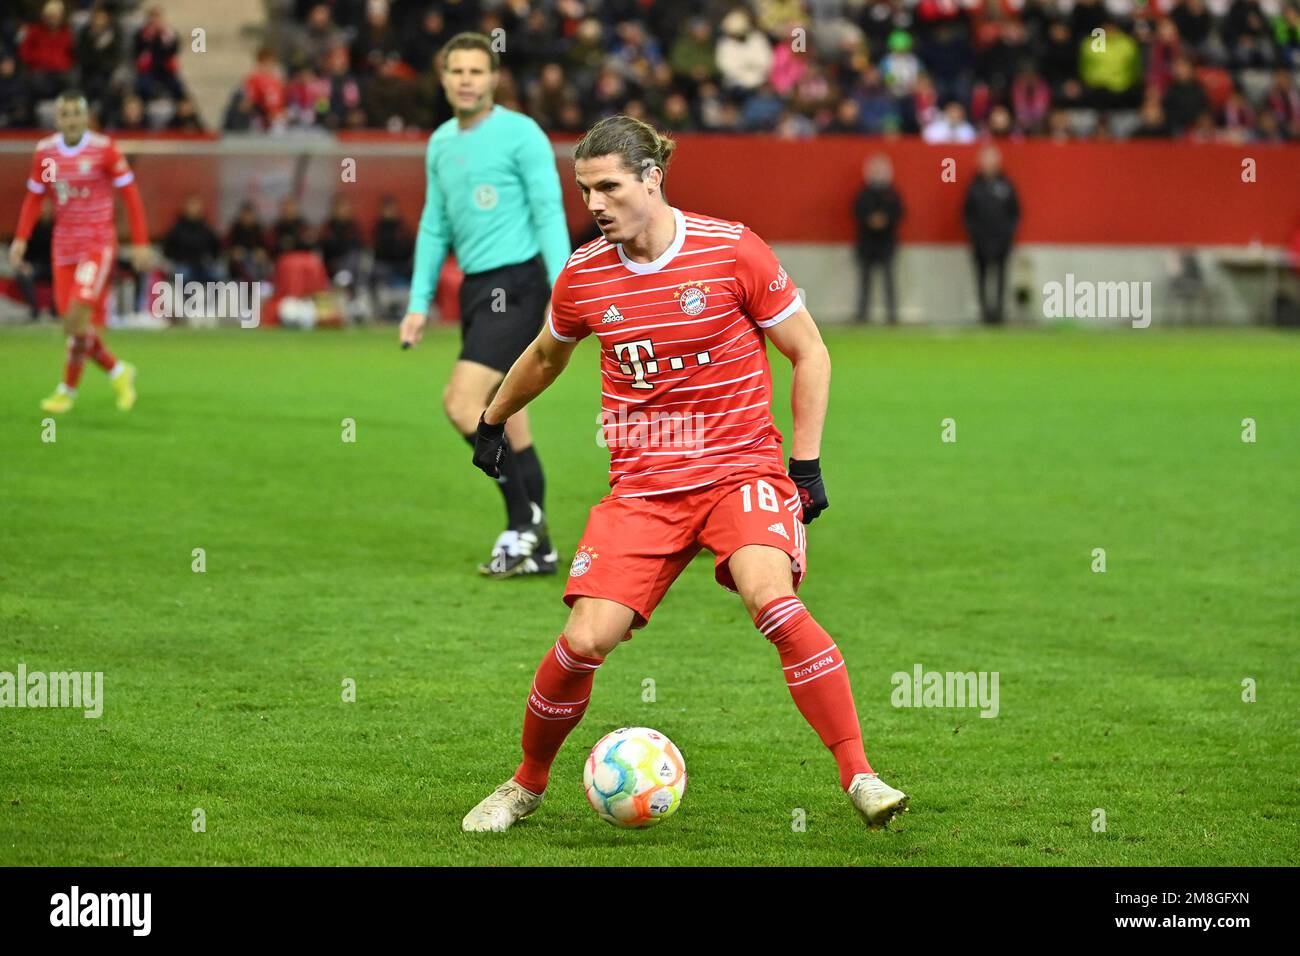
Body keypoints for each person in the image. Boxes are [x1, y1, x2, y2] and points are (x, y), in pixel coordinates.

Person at [460, 114, 909, 834]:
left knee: (772, 600)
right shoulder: (583, 274)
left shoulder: (732, 249)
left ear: (651, 179)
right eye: (584, 190)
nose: (595, 203)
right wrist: (492, 419)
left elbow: (810, 351)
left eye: (608, 186)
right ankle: (526, 784)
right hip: (643, 489)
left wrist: (806, 465)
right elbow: (547, 355)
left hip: (741, 472)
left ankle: (860, 775)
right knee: (584, 642)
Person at [398, 32, 570, 578]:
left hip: (518, 285)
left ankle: (521, 524)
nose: (467, 80)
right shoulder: (441, 142)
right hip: (476, 290)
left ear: (494, 78)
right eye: (457, 71)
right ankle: (539, 548)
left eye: (477, 70)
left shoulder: (521, 134)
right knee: (510, 418)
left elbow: (547, 211)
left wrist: (565, 289)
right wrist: (419, 302)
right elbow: (434, 224)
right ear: (444, 78)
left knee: (461, 402)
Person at [9, 90, 150, 414]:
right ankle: (118, 370)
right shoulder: (46, 154)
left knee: (76, 318)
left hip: (96, 245)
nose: (71, 119)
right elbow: (35, 197)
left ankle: (66, 391)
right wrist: (21, 239)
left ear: (86, 117)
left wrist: (140, 242)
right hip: (64, 248)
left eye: (77, 113)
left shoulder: (104, 150)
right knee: (73, 325)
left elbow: (130, 194)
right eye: (65, 114)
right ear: (57, 119)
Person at [963, 145, 1020, 325]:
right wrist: (974, 234)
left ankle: (1000, 313)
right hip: (980, 241)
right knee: (981, 277)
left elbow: (1015, 212)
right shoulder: (974, 186)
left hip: (1002, 241)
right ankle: (984, 313)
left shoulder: (1007, 185)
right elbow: (967, 214)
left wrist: (1007, 233)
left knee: (1001, 277)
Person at [853, 153, 904, 325]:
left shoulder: (892, 193)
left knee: (889, 279)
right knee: (864, 280)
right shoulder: (863, 193)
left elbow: (899, 213)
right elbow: (857, 212)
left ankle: (892, 313)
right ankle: (862, 313)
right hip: (867, 242)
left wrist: (885, 220)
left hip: (886, 242)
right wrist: (871, 220)